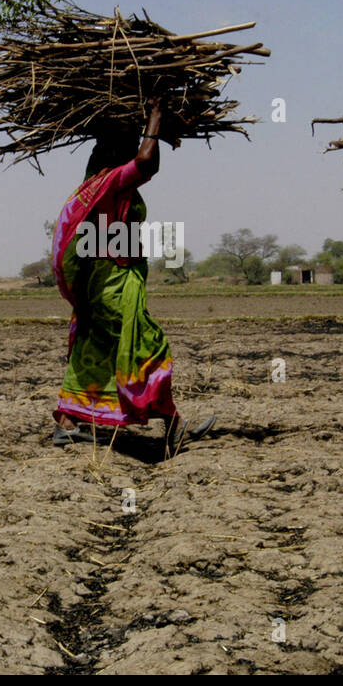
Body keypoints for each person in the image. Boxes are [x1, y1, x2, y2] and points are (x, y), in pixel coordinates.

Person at [50, 98, 215, 447]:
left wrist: (157, 134)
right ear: (113, 152)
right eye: (127, 144)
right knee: (146, 344)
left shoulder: (93, 186)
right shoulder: (110, 182)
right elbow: (145, 163)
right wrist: (154, 119)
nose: (134, 148)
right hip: (112, 281)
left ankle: (66, 421)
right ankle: (174, 425)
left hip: (101, 281)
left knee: (93, 348)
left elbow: (144, 160)